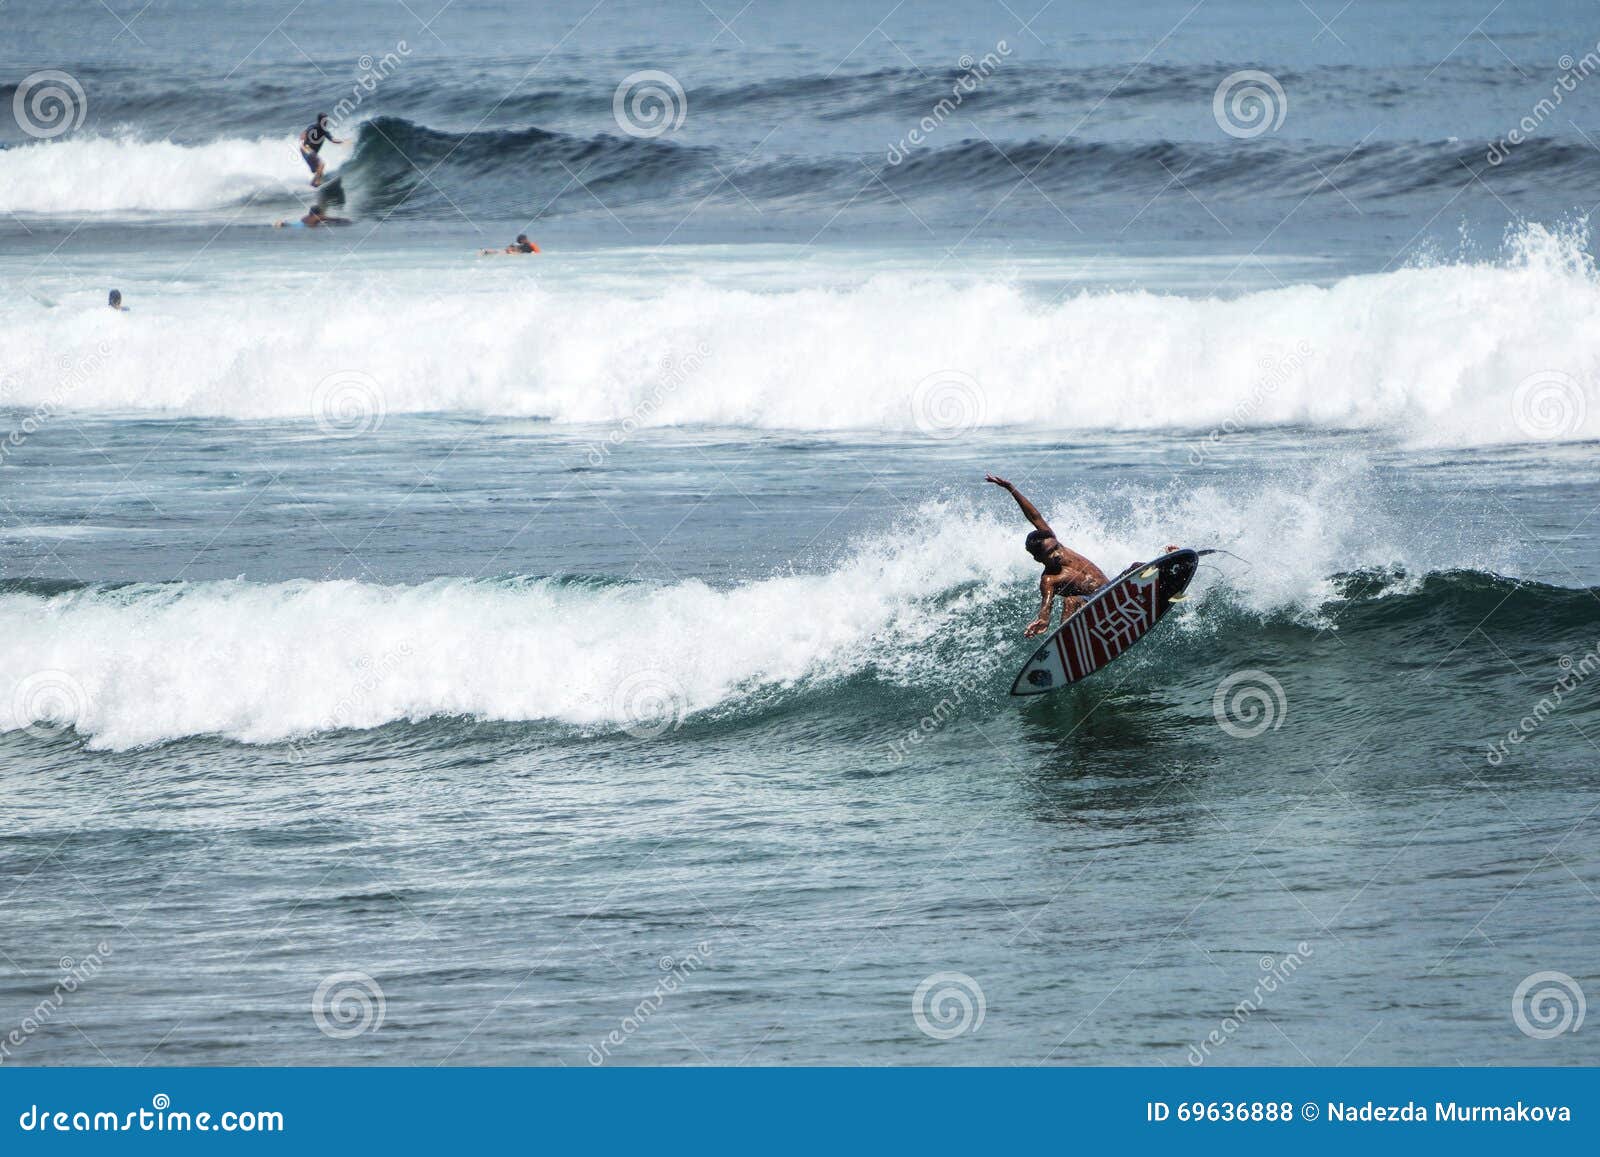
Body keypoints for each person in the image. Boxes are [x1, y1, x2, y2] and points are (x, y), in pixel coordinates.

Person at [985, 473, 1175, 638]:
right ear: (1038, 559)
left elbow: (1035, 517)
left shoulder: (1057, 545)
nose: (1057, 554)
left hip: (1112, 589)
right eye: (1050, 553)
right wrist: (1043, 620)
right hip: (1093, 606)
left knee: (1136, 567)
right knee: (1071, 601)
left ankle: (1171, 566)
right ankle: (1065, 641)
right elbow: (1046, 607)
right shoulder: (1049, 580)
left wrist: (1011, 488)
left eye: (1056, 547)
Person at [299, 112, 344, 187]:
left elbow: (333, 140)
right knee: (321, 164)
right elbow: (302, 136)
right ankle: (317, 183)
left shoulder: (321, 130)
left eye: (326, 120)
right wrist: (304, 141)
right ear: (320, 121)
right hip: (307, 149)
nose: (326, 122)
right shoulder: (315, 128)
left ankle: (313, 185)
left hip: (305, 151)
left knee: (319, 172)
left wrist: (342, 141)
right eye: (325, 120)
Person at [273, 205, 351, 229]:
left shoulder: (306, 216)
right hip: (302, 227)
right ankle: (281, 224)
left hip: (297, 224)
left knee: (287, 225)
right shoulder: (318, 217)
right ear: (318, 211)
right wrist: (345, 220)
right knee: (287, 226)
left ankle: (280, 223)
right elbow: (331, 219)